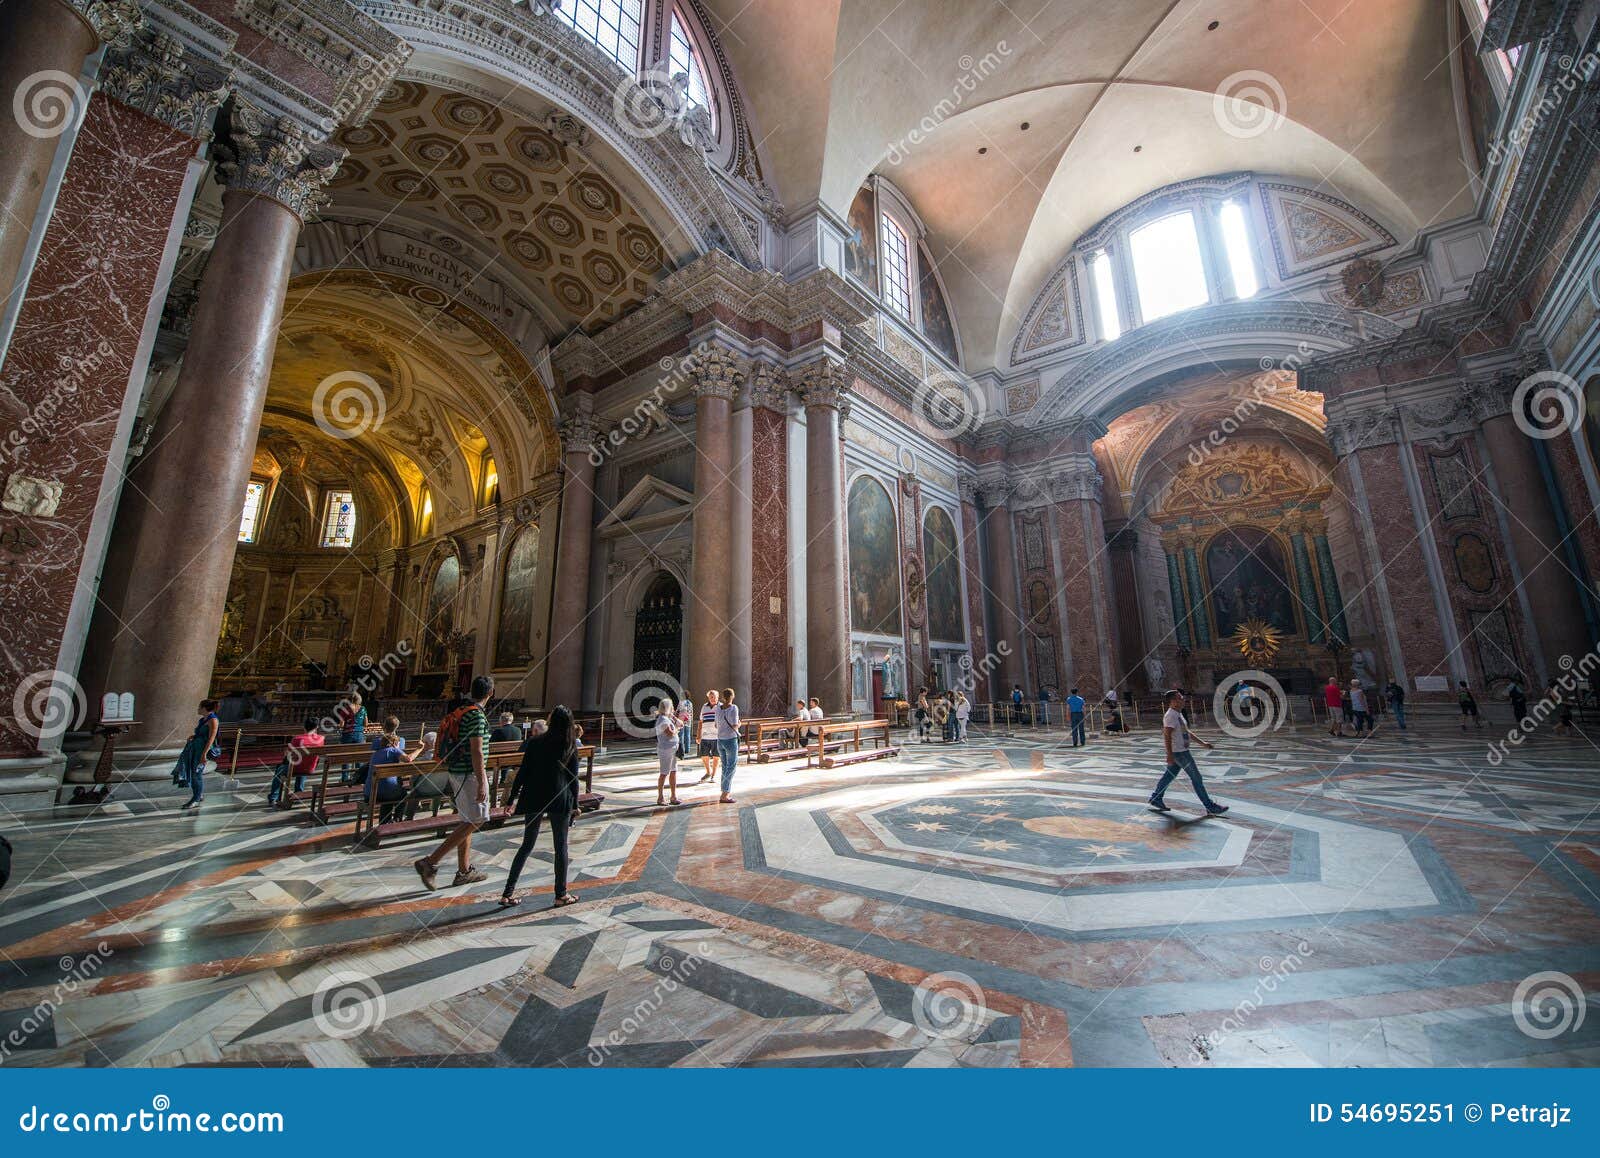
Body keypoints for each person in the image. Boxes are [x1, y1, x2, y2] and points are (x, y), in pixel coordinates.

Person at [413, 675, 494, 891]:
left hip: (458, 772)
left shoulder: (461, 711)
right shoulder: (476, 716)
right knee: (478, 819)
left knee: (468, 819)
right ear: (490, 694)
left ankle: (464, 871)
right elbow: (477, 750)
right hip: (469, 774)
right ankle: (430, 862)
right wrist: (482, 781)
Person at [500, 705, 581, 909]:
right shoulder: (569, 744)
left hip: (534, 796)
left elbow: (523, 772)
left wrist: (510, 800)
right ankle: (560, 895)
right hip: (559, 797)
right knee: (560, 846)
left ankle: (507, 893)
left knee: (527, 845)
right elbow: (574, 779)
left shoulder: (535, 742)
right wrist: (576, 804)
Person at [1148, 689, 1227, 816]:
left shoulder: (1178, 714)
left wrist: (1202, 743)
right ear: (1173, 701)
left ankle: (1156, 798)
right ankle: (1209, 806)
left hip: (1180, 751)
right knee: (1197, 778)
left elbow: (1187, 732)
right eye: (1179, 698)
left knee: (1169, 776)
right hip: (1180, 753)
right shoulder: (1170, 716)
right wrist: (1169, 755)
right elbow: (1167, 735)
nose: (1183, 699)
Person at [174, 699, 220, 811]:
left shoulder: (213, 720)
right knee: (194, 773)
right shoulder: (203, 719)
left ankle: (196, 799)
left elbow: (211, 738)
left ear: (204, 708)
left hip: (202, 751)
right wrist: (194, 736)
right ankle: (198, 794)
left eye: (199, 707)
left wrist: (204, 754)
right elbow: (201, 734)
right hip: (195, 748)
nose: (198, 709)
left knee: (196, 774)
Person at [366, 726, 418, 824]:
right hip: (383, 793)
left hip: (370, 793)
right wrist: (419, 749)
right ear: (394, 744)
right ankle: (397, 819)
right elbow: (408, 759)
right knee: (402, 795)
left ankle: (385, 821)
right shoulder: (393, 750)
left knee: (391, 790)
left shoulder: (376, 753)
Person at [269, 715, 324, 806]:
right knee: (304, 763)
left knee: (279, 771)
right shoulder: (321, 739)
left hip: (294, 768)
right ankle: (299, 792)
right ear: (316, 727)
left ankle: (273, 797)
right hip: (310, 768)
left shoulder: (297, 739)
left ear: (304, 727)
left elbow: (289, 754)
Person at [715, 687, 741, 803]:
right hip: (730, 740)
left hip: (720, 740)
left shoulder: (718, 709)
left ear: (723, 696)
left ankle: (724, 791)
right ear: (732, 696)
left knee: (725, 766)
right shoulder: (734, 708)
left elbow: (716, 725)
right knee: (731, 766)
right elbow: (735, 725)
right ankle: (725, 794)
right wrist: (739, 724)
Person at [654, 698, 681, 807]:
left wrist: (675, 719)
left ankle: (673, 796)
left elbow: (677, 725)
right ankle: (660, 797)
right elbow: (670, 734)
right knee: (664, 773)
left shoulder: (666, 718)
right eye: (672, 707)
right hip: (666, 750)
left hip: (672, 748)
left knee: (673, 771)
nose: (673, 709)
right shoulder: (663, 720)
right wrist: (677, 729)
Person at [696, 689, 721, 783]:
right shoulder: (704, 707)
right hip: (705, 736)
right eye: (711, 697)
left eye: (714, 696)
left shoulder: (721, 706)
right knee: (704, 756)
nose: (713, 698)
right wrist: (698, 735)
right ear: (708, 698)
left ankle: (713, 775)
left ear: (718, 697)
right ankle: (708, 772)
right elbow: (701, 721)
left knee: (716, 756)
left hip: (716, 736)